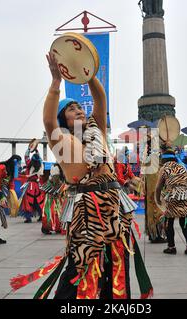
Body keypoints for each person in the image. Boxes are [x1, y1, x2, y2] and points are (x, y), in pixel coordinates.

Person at [9, 52, 152, 300]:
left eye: (79, 107)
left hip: (115, 209)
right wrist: (56, 82)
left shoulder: (97, 129)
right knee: (80, 269)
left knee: (117, 268)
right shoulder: (61, 140)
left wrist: (89, 73)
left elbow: (100, 98)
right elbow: (47, 120)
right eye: (71, 109)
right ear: (63, 117)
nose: (78, 110)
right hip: (87, 212)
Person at [155, 149, 187, 255]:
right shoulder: (182, 167)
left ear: (163, 159)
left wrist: (158, 199)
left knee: (169, 222)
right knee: (184, 221)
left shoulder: (164, 168)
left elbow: (159, 186)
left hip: (174, 195)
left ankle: (171, 247)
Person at [18, 142, 44, 224]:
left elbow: (26, 157)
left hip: (30, 186)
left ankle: (28, 218)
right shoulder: (40, 165)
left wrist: (29, 149)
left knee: (28, 201)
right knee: (38, 201)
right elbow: (39, 158)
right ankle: (41, 215)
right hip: (37, 185)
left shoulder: (29, 164)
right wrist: (36, 150)